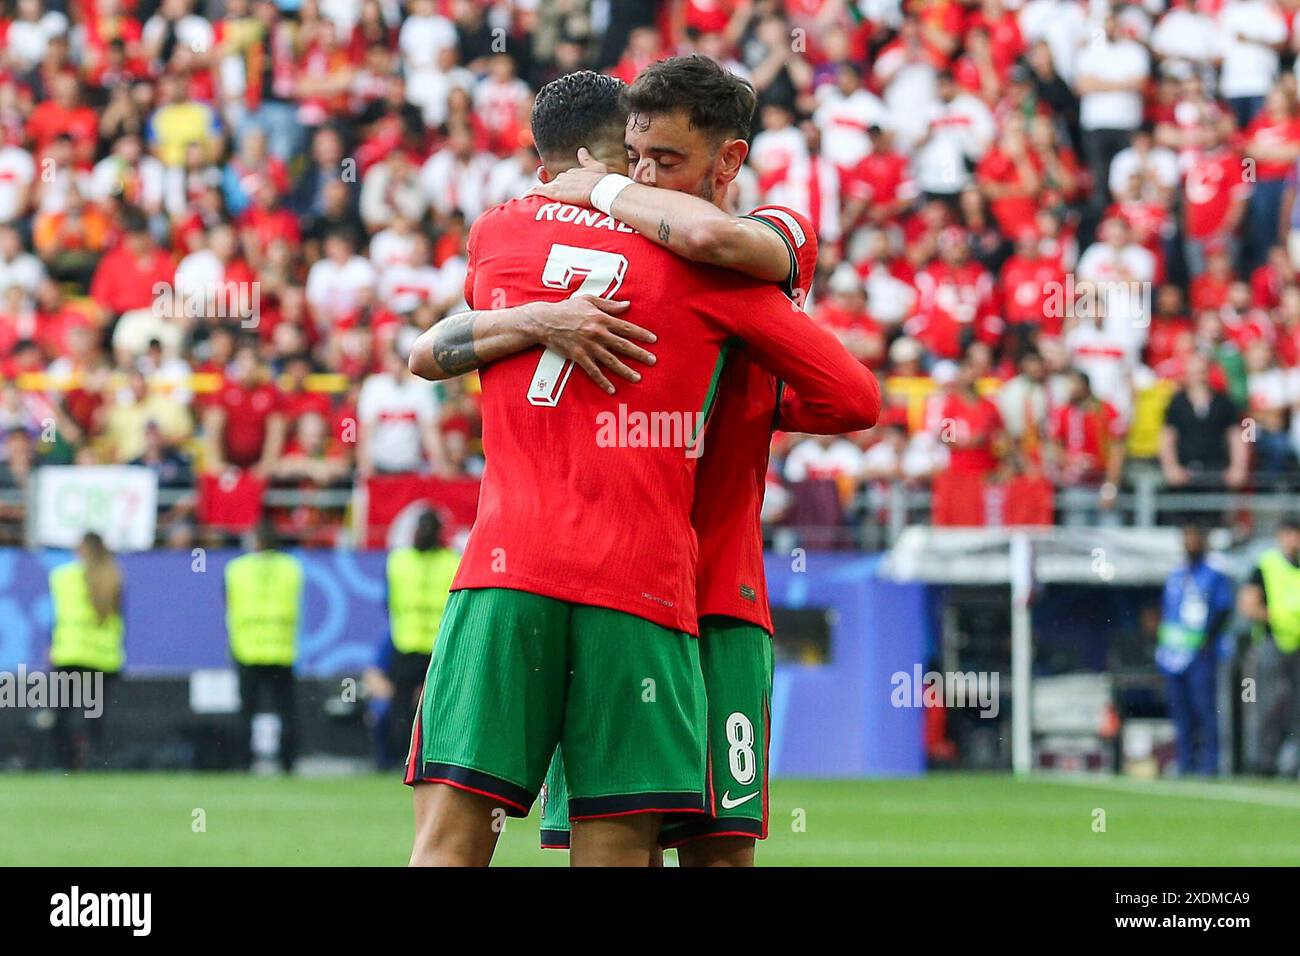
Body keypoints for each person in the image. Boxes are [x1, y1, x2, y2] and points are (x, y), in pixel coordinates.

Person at [403, 69, 879, 868]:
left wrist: (733, 405)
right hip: (642, 588)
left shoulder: (504, 230)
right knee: (632, 851)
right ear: (610, 153)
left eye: (666, 159)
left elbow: (428, 351)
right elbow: (852, 396)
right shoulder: (711, 278)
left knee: (455, 844)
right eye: (637, 158)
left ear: (727, 162)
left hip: (550, 576)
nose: (648, 177)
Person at [378, 510, 459, 766]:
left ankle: (398, 759)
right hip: (439, 645)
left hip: (407, 641)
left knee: (401, 705)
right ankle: (435, 759)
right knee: (438, 706)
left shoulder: (398, 561)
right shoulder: (451, 561)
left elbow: (387, 602)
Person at [225, 517, 304, 773]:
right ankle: (287, 762)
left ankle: (244, 761)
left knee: (247, 712)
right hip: (281, 648)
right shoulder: (292, 567)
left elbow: (227, 604)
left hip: (247, 649)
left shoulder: (236, 568)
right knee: (286, 710)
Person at [1156, 522, 1235, 776]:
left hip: (1200, 653)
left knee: (1205, 709)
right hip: (1173, 653)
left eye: (1193, 537)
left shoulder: (1214, 572)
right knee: (1180, 711)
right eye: (1185, 537)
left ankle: (1211, 763)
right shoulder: (1176, 574)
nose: (1189, 542)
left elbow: (1223, 608)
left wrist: (1207, 638)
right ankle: (1184, 761)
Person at [48, 532, 124, 770]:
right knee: (94, 715)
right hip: (103, 656)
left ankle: (64, 763)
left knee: (62, 713)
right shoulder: (113, 577)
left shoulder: (62, 576)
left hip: (70, 653)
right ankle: (96, 762)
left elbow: (59, 616)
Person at [1238, 517, 1300, 776]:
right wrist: (1277, 617)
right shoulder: (1265, 566)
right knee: (1266, 705)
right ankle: (1262, 762)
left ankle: (1292, 764)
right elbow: (1247, 605)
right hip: (1271, 644)